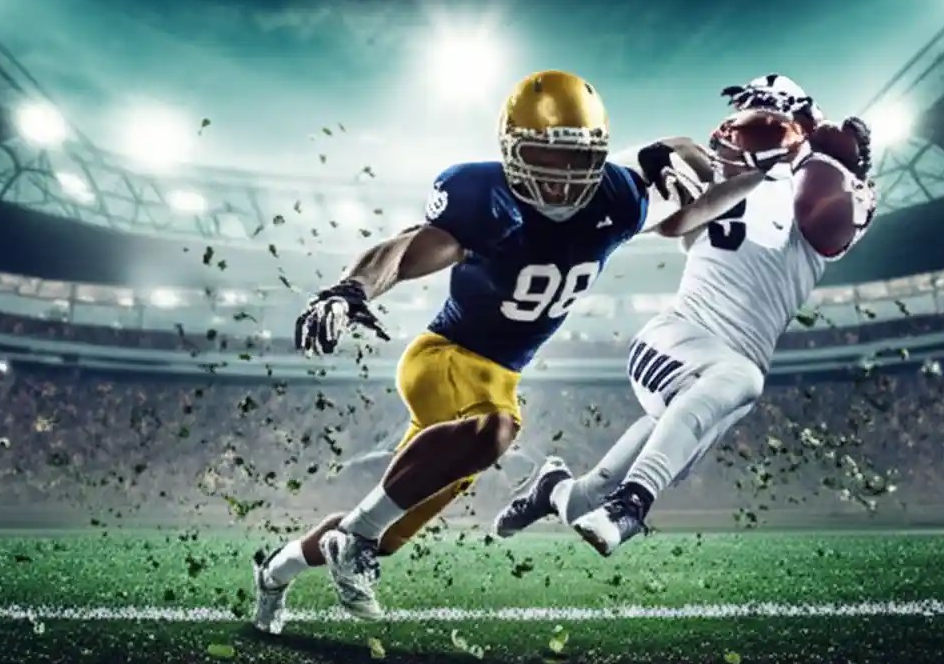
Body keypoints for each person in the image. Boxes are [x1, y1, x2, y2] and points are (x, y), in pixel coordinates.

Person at [252, 69, 776, 633]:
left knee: (391, 529)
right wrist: (348, 290)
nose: (557, 180)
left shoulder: (618, 201)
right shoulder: (484, 198)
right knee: (496, 431)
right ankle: (353, 539)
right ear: (509, 149)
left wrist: (735, 173)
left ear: (597, 157)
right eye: (542, 159)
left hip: (499, 379)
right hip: (446, 358)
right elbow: (405, 250)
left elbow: (679, 191)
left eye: (574, 162)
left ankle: (275, 576)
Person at [493, 74, 879, 557]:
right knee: (736, 379)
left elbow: (831, 213)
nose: (744, 138)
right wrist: (664, 157)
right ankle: (629, 507)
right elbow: (673, 220)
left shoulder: (818, 198)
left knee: (588, 496)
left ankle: (554, 487)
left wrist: (842, 162)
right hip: (677, 337)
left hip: (725, 368)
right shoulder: (721, 182)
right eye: (746, 128)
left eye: (765, 128)